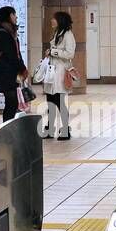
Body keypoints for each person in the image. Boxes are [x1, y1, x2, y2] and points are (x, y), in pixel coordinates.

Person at [41, 11, 76, 140]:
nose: (52, 21)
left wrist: (53, 52)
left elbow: (70, 54)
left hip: (60, 72)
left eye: (54, 19)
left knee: (59, 101)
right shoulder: (57, 33)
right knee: (50, 101)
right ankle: (50, 129)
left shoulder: (68, 35)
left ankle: (66, 129)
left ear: (60, 20)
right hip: (52, 72)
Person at [0, 5, 27, 121]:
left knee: (12, 103)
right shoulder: (3, 34)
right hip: (5, 74)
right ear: (9, 16)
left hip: (9, 73)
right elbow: (11, 55)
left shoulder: (8, 32)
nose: (16, 17)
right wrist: (22, 68)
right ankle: (7, 128)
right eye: (14, 14)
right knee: (12, 102)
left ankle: (8, 127)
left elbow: (16, 54)